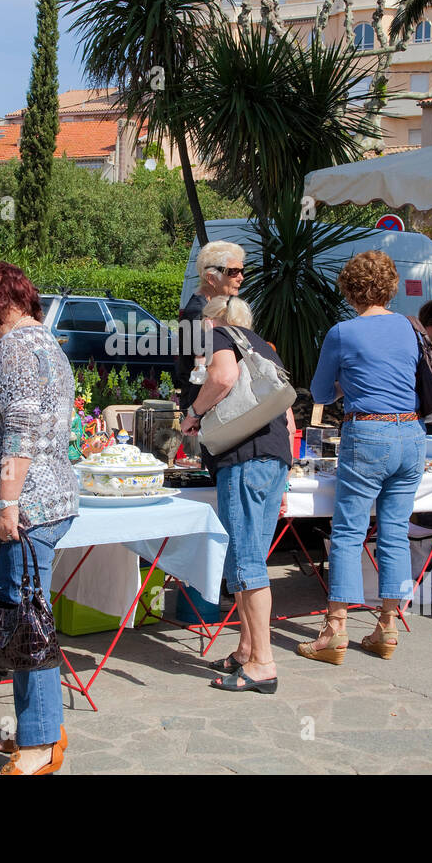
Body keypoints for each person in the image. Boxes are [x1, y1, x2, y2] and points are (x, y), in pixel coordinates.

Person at [0, 261, 78, 775]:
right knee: (26, 618)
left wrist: (7, 502)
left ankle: (40, 742)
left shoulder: (12, 347)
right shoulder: (47, 343)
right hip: (49, 499)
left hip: (28, 507)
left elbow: (21, 431)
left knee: (28, 625)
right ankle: (40, 732)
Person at [301, 250, 424, 664]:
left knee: (350, 532)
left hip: (367, 432)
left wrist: (342, 387)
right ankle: (387, 626)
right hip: (411, 433)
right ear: (389, 287)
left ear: (350, 289)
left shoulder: (342, 332)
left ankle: (335, 629)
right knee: (394, 532)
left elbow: (319, 393)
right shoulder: (409, 328)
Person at [179, 295, 293, 694]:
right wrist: (286, 475)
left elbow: (223, 378)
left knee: (245, 564)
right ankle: (247, 650)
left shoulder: (218, 336)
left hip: (245, 458)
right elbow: (287, 409)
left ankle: (263, 663)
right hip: (273, 458)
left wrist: (193, 413)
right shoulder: (261, 346)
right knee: (253, 560)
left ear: (210, 321)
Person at [175, 241, 246, 405]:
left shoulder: (214, 308)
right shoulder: (198, 312)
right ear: (211, 278)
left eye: (242, 271)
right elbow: (207, 364)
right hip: (201, 407)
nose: (241, 277)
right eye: (233, 272)